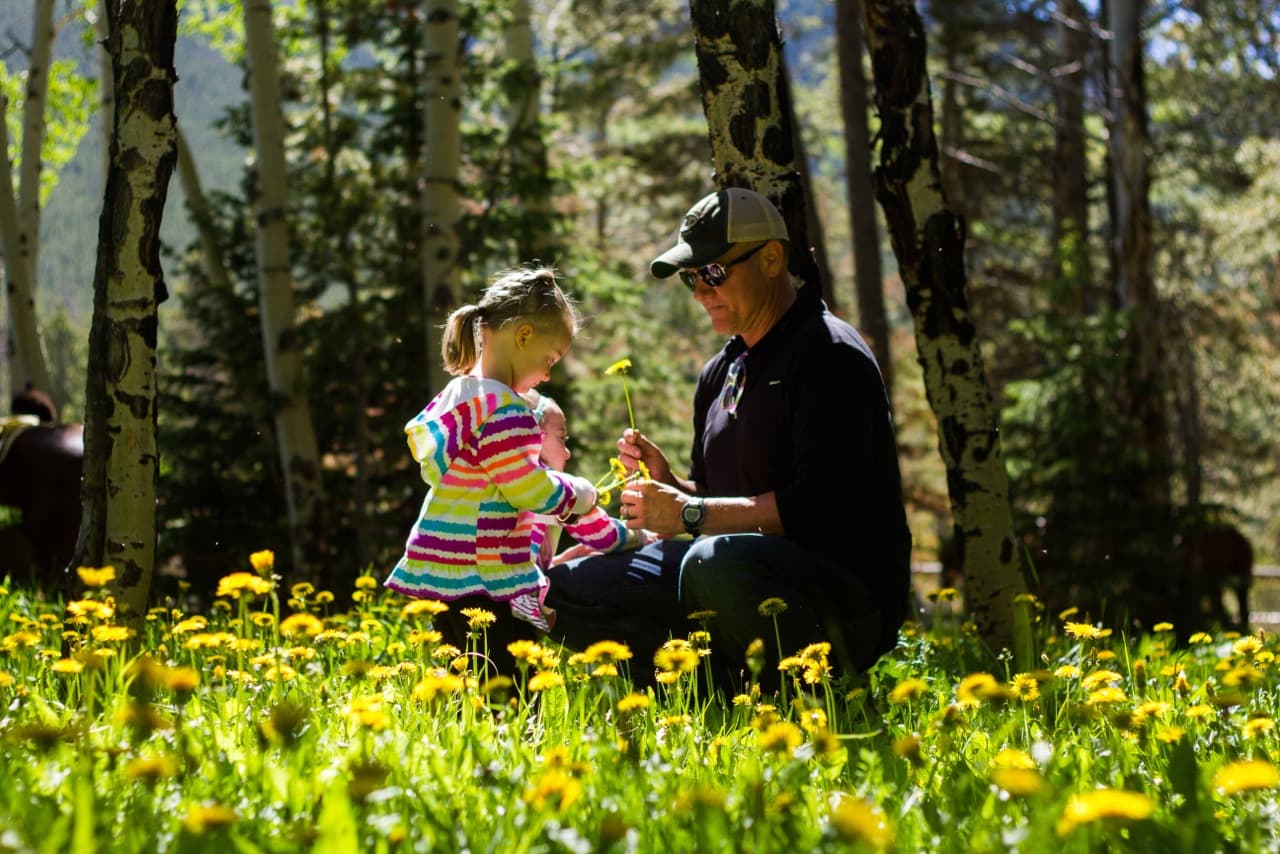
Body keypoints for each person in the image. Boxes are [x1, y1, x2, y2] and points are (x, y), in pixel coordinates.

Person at [545, 187, 912, 691]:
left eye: (714, 273)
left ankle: (822, 692)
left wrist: (690, 514)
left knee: (711, 563)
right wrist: (671, 487)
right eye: (691, 278)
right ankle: (721, 695)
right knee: (563, 586)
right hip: (729, 570)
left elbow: (821, 506)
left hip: (845, 596)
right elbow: (717, 502)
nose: (700, 291)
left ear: (771, 258)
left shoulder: (830, 355)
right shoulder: (721, 372)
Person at [384, 266, 598, 677]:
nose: (549, 374)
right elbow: (526, 489)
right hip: (486, 577)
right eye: (549, 359)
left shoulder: (460, 395)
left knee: (461, 679)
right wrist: (577, 494)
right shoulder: (509, 412)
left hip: (446, 568)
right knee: (510, 685)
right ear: (522, 336)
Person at [521, 390, 654, 577]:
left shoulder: (506, 478)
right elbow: (603, 534)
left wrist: (556, 562)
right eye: (561, 438)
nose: (567, 453)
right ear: (535, 435)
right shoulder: (549, 487)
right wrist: (642, 537)